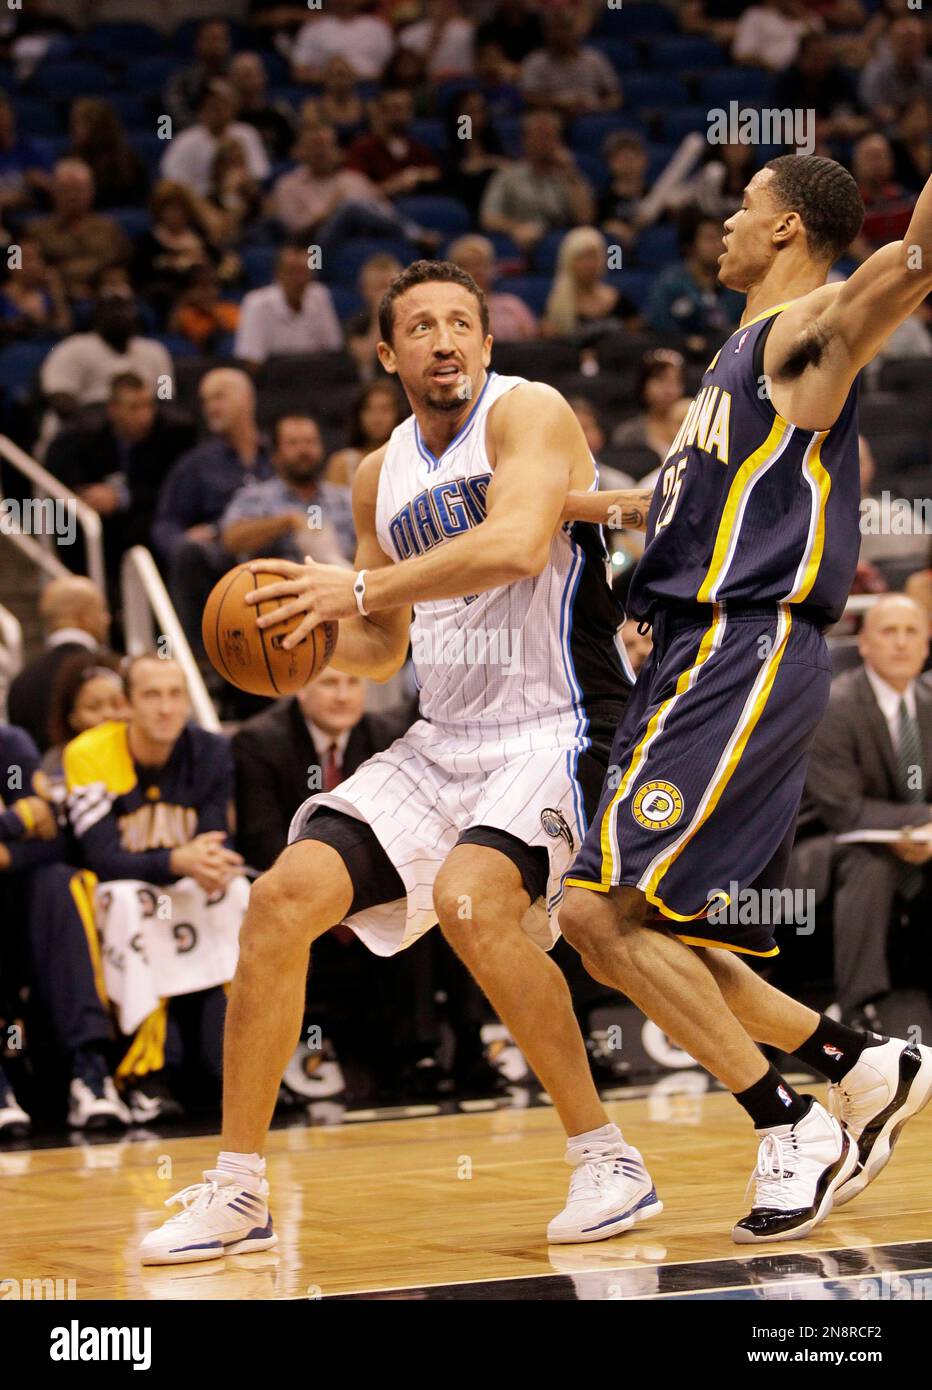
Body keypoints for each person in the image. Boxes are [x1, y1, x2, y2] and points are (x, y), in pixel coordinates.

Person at [139, 258, 657, 1265]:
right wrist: (306, 636)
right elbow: (386, 642)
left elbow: (512, 546)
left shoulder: (529, 413)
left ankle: (606, 1156)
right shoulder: (374, 473)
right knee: (280, 898)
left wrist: (357, 585)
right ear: (387, 354)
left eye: (459, 321)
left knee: (472, 901)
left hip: (553, 723)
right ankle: (240, 1189)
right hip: (441, 735)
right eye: (419, 326)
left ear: (487, 340)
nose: (444, 339)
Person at [557, 152, 932, 1243]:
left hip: (742, 647)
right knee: (659, 934)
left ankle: (787, 1124)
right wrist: (541, 506)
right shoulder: (731, 364)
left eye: (740, 207)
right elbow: (673, 507)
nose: (722, 222)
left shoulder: (798, 332)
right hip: (692, 656)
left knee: (591, 910)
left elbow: (910, 264)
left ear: (782, 232)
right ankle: (861, 1066)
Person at [64, 654, 246, 1121]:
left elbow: (212, 841)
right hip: (116, 892)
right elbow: (102, 858)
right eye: (151, 695)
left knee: (236, 892)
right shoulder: (88, 754)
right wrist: (173, 859)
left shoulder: (210, 750)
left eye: (175, 694)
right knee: (129, 899)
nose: (166, 707)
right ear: (126, 705)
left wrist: (195, 862)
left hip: (180, 886)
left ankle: (234, 1065)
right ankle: (148, 1072)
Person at [806, 595, 932, 1027]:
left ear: (927, 643)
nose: (900, 643)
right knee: (871, 862)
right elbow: (845, 810)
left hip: (917, 839)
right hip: (825, 842)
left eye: (911, 631)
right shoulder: (833, 703)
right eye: (888, 631)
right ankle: (860, 1012)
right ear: (863, 644)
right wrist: (919, 828)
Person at [153, 368, 273, 660]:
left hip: (279, 551)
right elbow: (165, 523)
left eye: (219, 397)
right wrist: (184, 539)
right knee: (190, 553)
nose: (211, 407)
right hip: (223, 560)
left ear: (247, 397)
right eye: (206, 401)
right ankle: (202, 662)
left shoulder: (280, 452)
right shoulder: (195, 465)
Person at [45, 372, 197, 572]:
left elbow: (174, 490)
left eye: (148, 405)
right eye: (134, 407)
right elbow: (65, 485)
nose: (145, 415)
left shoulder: (173, 435)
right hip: (98, 525)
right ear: (113, 410)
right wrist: (87, 496)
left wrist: (121, 497)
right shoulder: (82, 439)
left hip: (148, 517)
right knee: (72, 521)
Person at [219, 413, 354, 566]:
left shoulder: (345, 499)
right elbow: (230, 541)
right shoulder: (255, 496)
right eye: (293, 443)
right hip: (276, 584)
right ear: (275, 455)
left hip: (339, 582)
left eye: (310, 442)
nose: (303, 450)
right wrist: (286, 522)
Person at [7, 576, 111, 753]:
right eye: (102, 610)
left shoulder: (19, 682)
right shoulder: (107, 672)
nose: (107, 619)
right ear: (84, 617)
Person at [479, 110, 595, 255]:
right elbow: (489, 218)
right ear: (525, 140)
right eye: (540, 136)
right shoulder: (507, 176)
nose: (546, 143)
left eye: (551, 137)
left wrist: (570, 173)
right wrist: (516, 228)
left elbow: (585, 218)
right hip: (519, 245)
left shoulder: (568, 176)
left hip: (559, 246)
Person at [30, 159, 130, 303]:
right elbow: (18, 265)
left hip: (104, 296)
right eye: (66, 190)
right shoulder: (36, 231)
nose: (73, 196)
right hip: (58, 298)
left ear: (91, 191)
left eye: (79, 190)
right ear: (55, 193)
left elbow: (125, 264)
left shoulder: (109, 229)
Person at [646, 209, 743, 352]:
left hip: (725, 356)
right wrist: (685, 342)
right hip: (681, 356)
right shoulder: (670, 283)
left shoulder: (737, 284)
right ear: (691, 245)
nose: (719, 244)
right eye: (710, 238)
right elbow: (657, 327)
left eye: (721, 237)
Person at [233, 242, 342, 367]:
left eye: (304, 272)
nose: (299, 280)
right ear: (278, 274)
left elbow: (334, 349)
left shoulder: (320, 295)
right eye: (293, 272)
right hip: (273, 379)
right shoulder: (256, 303)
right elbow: (251, 360)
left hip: (315, 375)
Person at [160, 81, 270, 200]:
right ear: (201, 109)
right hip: (198, 202)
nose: (217, 109)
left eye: (221, 103)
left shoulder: (246, 133)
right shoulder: (185, 141)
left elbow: (258, 173)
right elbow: (173, 181)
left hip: (242, 197)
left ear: (233, 107)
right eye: (211, 104)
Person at [518, 8, 621, 119]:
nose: (559, 35)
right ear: (546, 33)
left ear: (574, 30)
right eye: (553, 30)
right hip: (554, 115)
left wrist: (601, 106)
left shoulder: (594, 58)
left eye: (564, 28)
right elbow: (528, 96)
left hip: (593, 113)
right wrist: (560, 104)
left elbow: (615, 95)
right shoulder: (535, 61)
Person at [344, 89, 442, 202]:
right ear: (380, 112)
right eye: (395, 108)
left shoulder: (417, 148)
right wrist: (396, 184)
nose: (401, 114)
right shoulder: (362, 148)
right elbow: (354, 194)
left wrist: (419, 175)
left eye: (407, 108)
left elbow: (436, 173)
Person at [541, 225, 638, 338]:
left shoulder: (620, 301)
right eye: (583, 258)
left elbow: (636, 340)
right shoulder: (556, 307)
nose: (591, 264)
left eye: (595, 257)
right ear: (569, 262)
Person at [611, 349, 691, 474]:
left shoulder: (694, 428)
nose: (669, 390)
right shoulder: (628, 433)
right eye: (660, 381)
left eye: (676, 381)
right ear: (643, 385)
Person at [447, 234, 537, 343]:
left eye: (481, 263)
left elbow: (535, 345)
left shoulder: (512, 305)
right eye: (468, 265)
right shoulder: (446, 312)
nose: (477, 271)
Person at [66, 98, 149, 211]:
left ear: (98, 126)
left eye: (80, 123)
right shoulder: (69, 159)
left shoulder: (128, 160)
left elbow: (141, 199)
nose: (74, 129)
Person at [325, 380, 405, 492]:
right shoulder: (342, 463)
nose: (377, 418)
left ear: (398, 414)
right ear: (359, 415)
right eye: (369, 409)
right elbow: (332, 508)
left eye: (385, 409)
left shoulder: (411, 459)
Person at [291, 0, 393, 83]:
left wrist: (354, 76)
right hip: (322, 89)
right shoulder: (313, 27)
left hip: (367, 87)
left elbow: (391, 69)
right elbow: (299, 72)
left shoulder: (377, 27)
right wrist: (333, 78)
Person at [228, 51, 297, 163]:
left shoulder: (279, 113)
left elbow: (295, 149)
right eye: (241, 75)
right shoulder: (228, 117)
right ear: (231, 79)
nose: (247, 81)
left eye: (250, 74)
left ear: (263, 77)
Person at [165, 18, 232, 130]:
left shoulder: (235, 77)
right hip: (192, 134)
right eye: (211, 39)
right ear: (198, 43)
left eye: (221, 39)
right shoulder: (182, 80)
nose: (216, 45)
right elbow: (174, 112)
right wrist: (207, 129)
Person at [344, 251, 403, 379]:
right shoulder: (357, 323)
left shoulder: (411, 319)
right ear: (365, 290)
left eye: (390, 287)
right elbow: (364, 360)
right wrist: (379, 319)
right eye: (379, 288)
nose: (385, 294)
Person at [0, 234, 71, 340]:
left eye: (35, 259)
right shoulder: (3, 295)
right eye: (25, 259)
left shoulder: (49, 292)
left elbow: (65, 327)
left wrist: (56, 292)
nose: (31, 266)